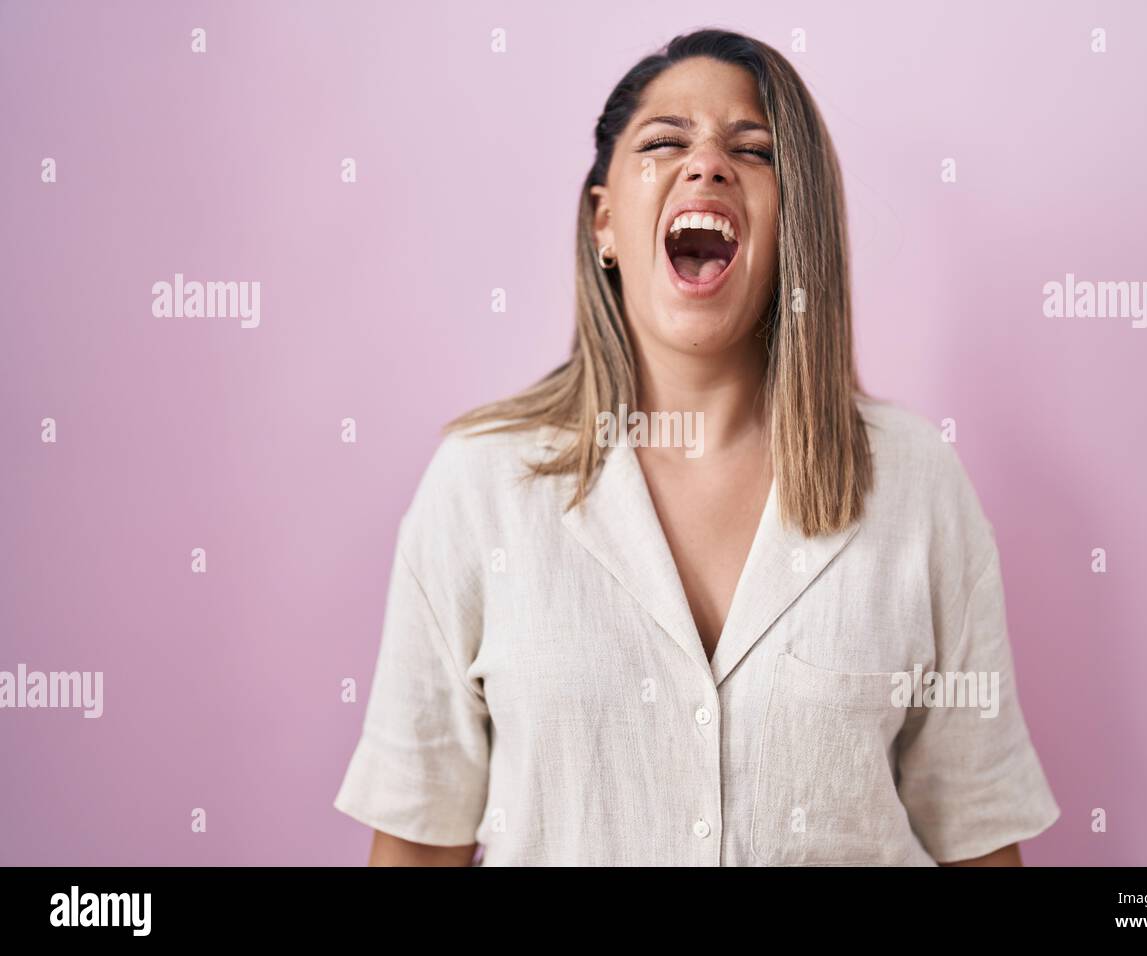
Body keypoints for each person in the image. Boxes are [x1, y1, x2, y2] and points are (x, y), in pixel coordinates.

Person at [333, 28, 1060, 866]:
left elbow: (974, 838)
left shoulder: (916, 481)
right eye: (665, 142)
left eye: (752, 150)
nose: (707, 164)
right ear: (606, 223)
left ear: (795, 228)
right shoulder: (479, 483)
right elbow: (419, 844)